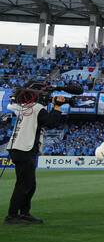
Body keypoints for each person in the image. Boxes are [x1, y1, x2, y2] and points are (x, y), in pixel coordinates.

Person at [4, 81, 74, 226]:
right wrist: (57, 106)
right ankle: (12, 215)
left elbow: (11, 103)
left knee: (29, 184)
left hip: (19, 148)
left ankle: (23, 213)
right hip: (25, 149)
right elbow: (51, 122)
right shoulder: (37, 108)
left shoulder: (22, 107)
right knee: (24, 184)